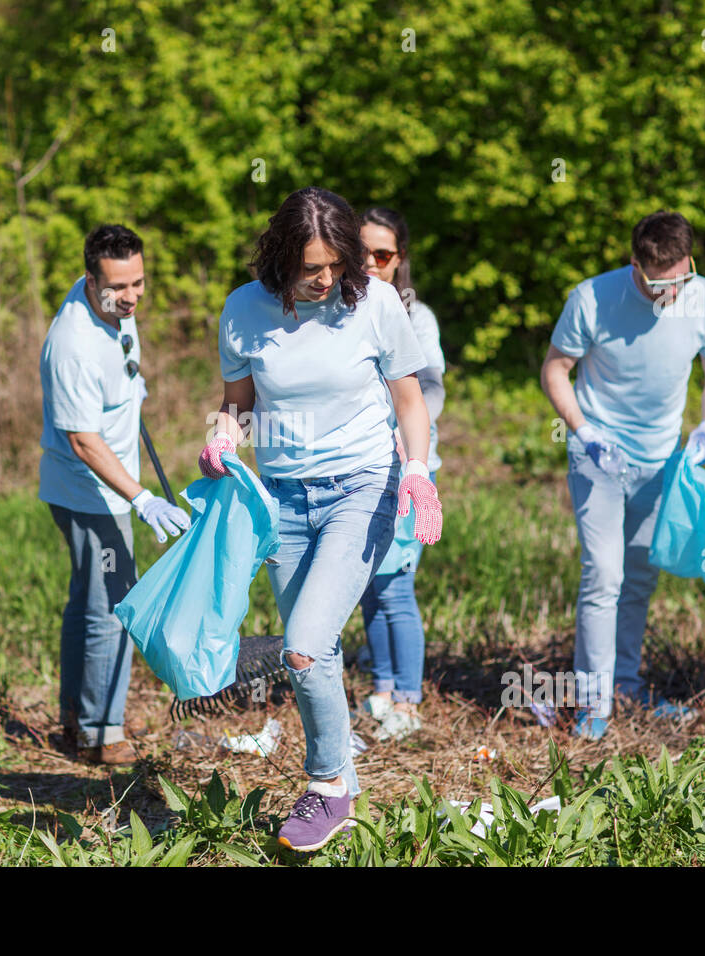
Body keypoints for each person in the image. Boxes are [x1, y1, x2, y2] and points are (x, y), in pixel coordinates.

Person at [198, 187, 442, 852]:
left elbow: (411, 401)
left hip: (361, 489)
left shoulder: (376, 303)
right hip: (282, 498)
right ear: (279, 258)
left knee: (301, 647)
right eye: (312, 267)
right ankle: (347, 789)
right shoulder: (244, 311)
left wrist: (416, 471)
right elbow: (237, 405)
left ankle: (327, 787)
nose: (328, 279)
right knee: (316, 655)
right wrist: (222, 440)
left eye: (337, 264)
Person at [540, 210, 705, 740]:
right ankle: (592, 701)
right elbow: (556, 368)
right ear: (635, 265)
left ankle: (624, 681)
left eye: (680, 279)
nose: (670, 292)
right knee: (603, 572)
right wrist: (582, 431)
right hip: (598, 454)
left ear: (690, 264)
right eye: (657, 283)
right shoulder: (591, 299)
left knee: (639, 575)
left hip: (661, 458)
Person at [38, 224, 190, 765]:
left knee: (89, 603)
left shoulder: (114, 310)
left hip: (108, 484)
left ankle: (76, 719)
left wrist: (132, 393)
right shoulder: (72, 344)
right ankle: (103, 733)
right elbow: (82, 440)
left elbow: (117, 376)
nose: (129, 298)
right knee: (113, 606)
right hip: (89, 493)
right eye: (116, 287)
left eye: (139, 283)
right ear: (88, 278)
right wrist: (142, 499)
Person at [354, 207, 444, 741]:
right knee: (368, 581)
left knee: (396, 588)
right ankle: (383, 685)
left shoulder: (417, 316)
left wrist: (405, 434)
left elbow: (430, 388)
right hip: (359, 466)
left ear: (399, 259)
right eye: (361, 251)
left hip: (406, 468)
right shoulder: (342, 307)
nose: (371, 263)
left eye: (382, 255)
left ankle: (408, 697)